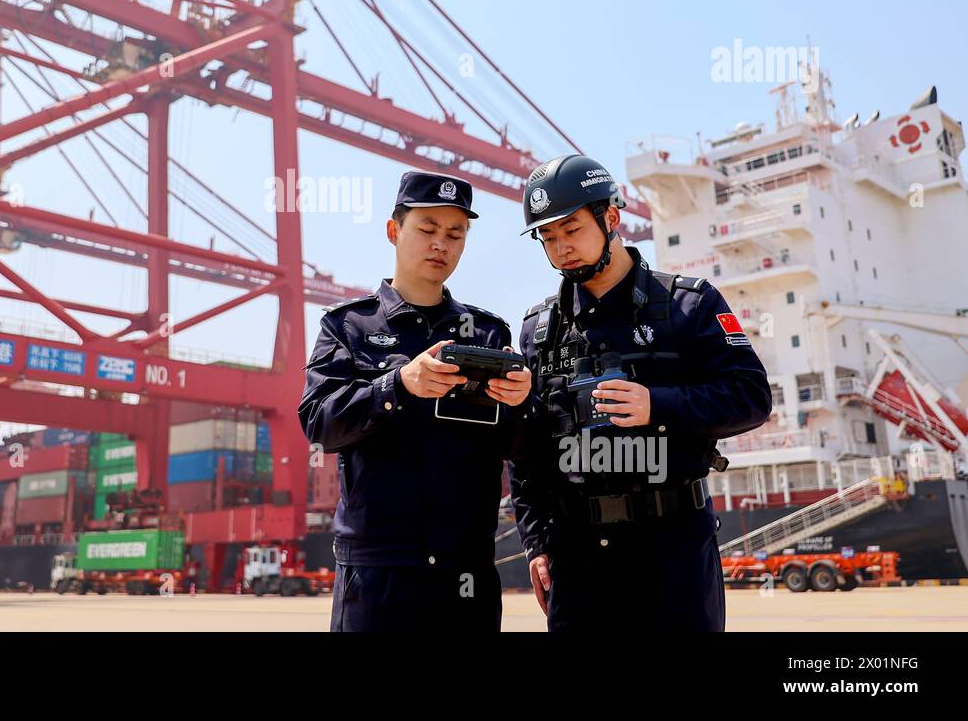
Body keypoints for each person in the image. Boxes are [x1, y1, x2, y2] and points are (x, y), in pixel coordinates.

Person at [508, 154, 771, 631]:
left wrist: (658, 404)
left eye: (571, 230)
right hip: (578, 558)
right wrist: (536, 542)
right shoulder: (537, 331)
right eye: (547, 237)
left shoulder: (691, 304)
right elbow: (525, 454)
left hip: (673, 551)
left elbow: (752, 397)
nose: (560, 247)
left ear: (611, 218)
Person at [298, 170, 532, 632]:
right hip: (377, 569)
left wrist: (522, 404)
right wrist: (397, 385)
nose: (440, 245)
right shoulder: (346, 328)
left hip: (464, 568)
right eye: (427, 230)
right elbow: (318, 423)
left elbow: (518, 449)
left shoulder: (488, 334)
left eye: (455, 234)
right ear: (393, 230)